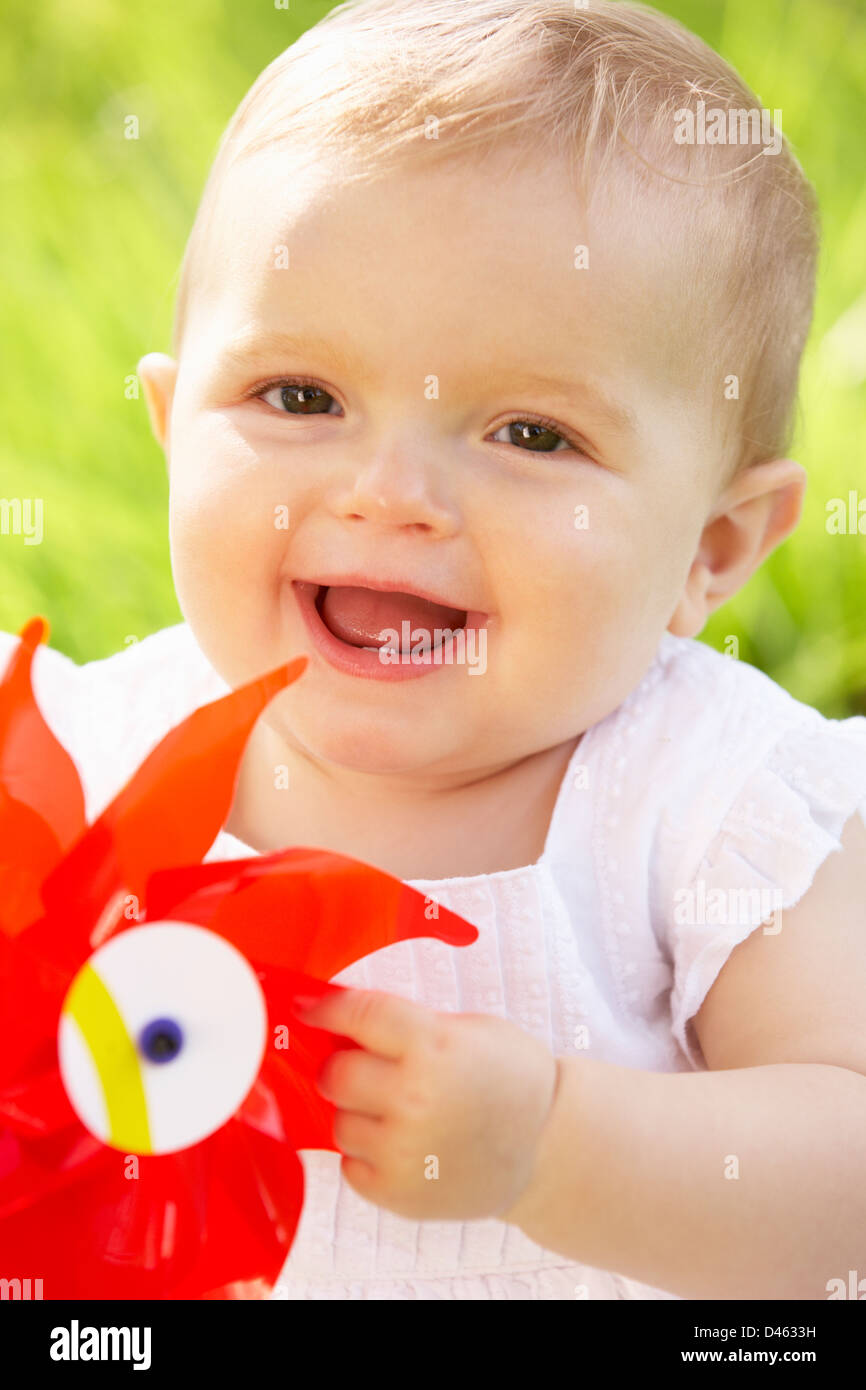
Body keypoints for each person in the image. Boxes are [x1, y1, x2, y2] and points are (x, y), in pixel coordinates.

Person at [8, 0, 866, 1299]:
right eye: (300, 398)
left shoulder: (709, 804)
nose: (390, 490)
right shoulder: (80, 766)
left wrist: (552, 1144)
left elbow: (840, 1168)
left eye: (529, 434)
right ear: (175, 428)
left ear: (713, 549)